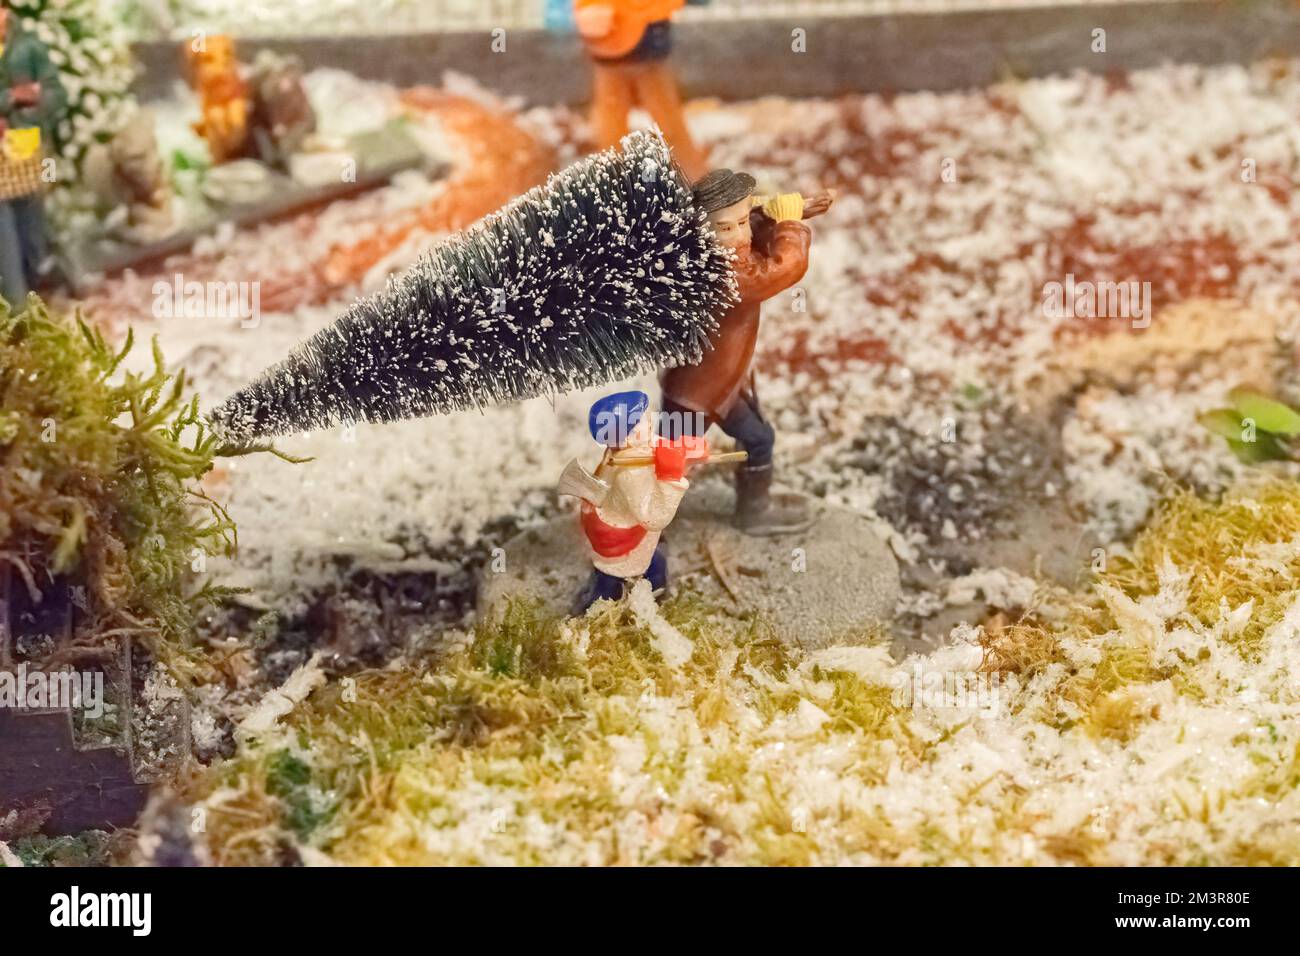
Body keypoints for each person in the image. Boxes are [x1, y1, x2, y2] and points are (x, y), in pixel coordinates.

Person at [660, 168, 834, 536]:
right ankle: (639, 531)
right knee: (669, 462)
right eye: (726, 228)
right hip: (696, 394)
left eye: (744, 221)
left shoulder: (717, 248)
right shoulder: (724, 273)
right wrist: (789, 225)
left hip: (719, 385)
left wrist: (792, 210)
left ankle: (753, 515)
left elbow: (750, 226)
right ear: (701, 230)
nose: (740, 235)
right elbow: (782, 268)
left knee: (756, 438)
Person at [562, 390, 707, 613]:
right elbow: (654, 518)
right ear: (626, 436)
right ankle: (593, 610)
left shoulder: (626, 449)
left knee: (654, 563)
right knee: (613, 581)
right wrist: (672, 478)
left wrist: (681, 449)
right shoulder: (631, 473)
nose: (649, 421)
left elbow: (651, 446)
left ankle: (648, 598)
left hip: (616, 521)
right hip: (622, 539)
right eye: (640, 421)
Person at [574, 0, 709, 180]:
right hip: (611, 55)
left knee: (667, 123)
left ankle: (696, 179)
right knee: (611, 127)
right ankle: (611, 182)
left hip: (647, 57)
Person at [0, 7, 66, 306]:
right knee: (6, 246)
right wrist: (12, 97)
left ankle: (37, 296)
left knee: (33, 241)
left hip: (28, 153)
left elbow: (56, 94)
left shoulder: (28, 47)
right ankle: (18, 312)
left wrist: (33, 107)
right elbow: (18, 95)